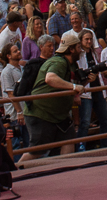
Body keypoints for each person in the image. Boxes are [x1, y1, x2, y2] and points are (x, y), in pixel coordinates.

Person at [21, 30, 86, 160]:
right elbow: (50, 78)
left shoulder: (70, 65)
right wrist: (73, 87)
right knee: (37, 151)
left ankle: (66, 169)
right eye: (79, 47)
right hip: (41, 113)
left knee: (69, 139)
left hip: (57, 115)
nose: (81, 50)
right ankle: (18, 169)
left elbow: (71, 85)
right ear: (71, 49)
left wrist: (82, 85)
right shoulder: (59, 62)